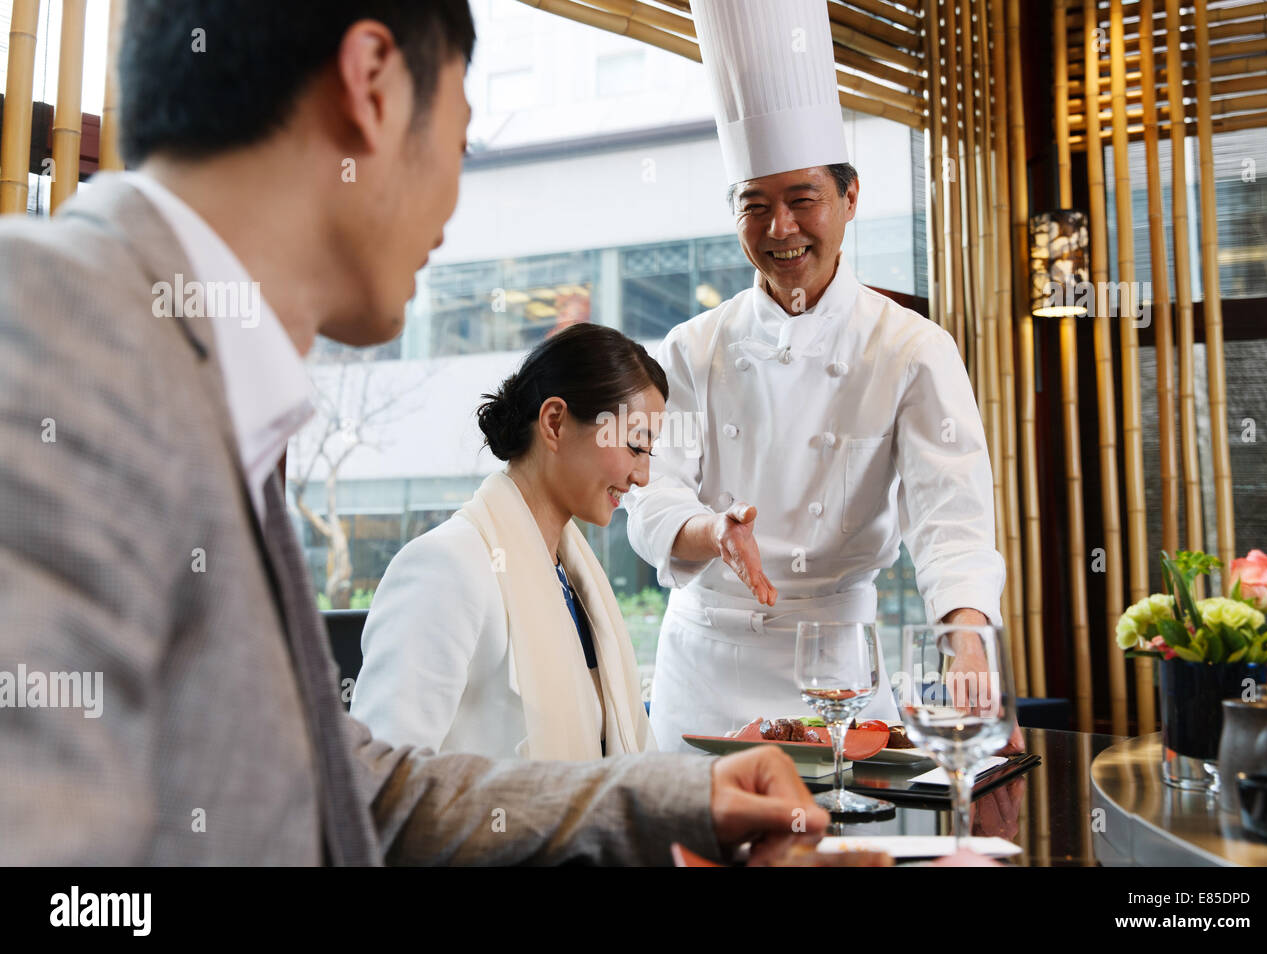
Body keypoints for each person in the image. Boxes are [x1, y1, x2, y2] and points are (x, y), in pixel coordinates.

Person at [0, 0, 829, 865]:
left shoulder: (206, 389)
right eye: (460, 144)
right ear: (371, 86)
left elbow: (364, 795)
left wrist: (684, 799)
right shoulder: (53, 336)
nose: (454, 198)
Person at [622, 0, 1024, 755]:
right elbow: (650, 495)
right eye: (756, 206)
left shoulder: (913, 348)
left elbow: (951, 513)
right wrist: (715, 531)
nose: (781, 229)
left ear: (850, 198)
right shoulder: (690, 347)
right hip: (703, 670)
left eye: (802, 199)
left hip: (837, 670)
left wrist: (966, 634)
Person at [352, 324, 662, 760]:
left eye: (651, 452)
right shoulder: (447, 566)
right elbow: (380, 776)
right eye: (634, 446)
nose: (642, 475)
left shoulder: (573, 577)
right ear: (554, 423)